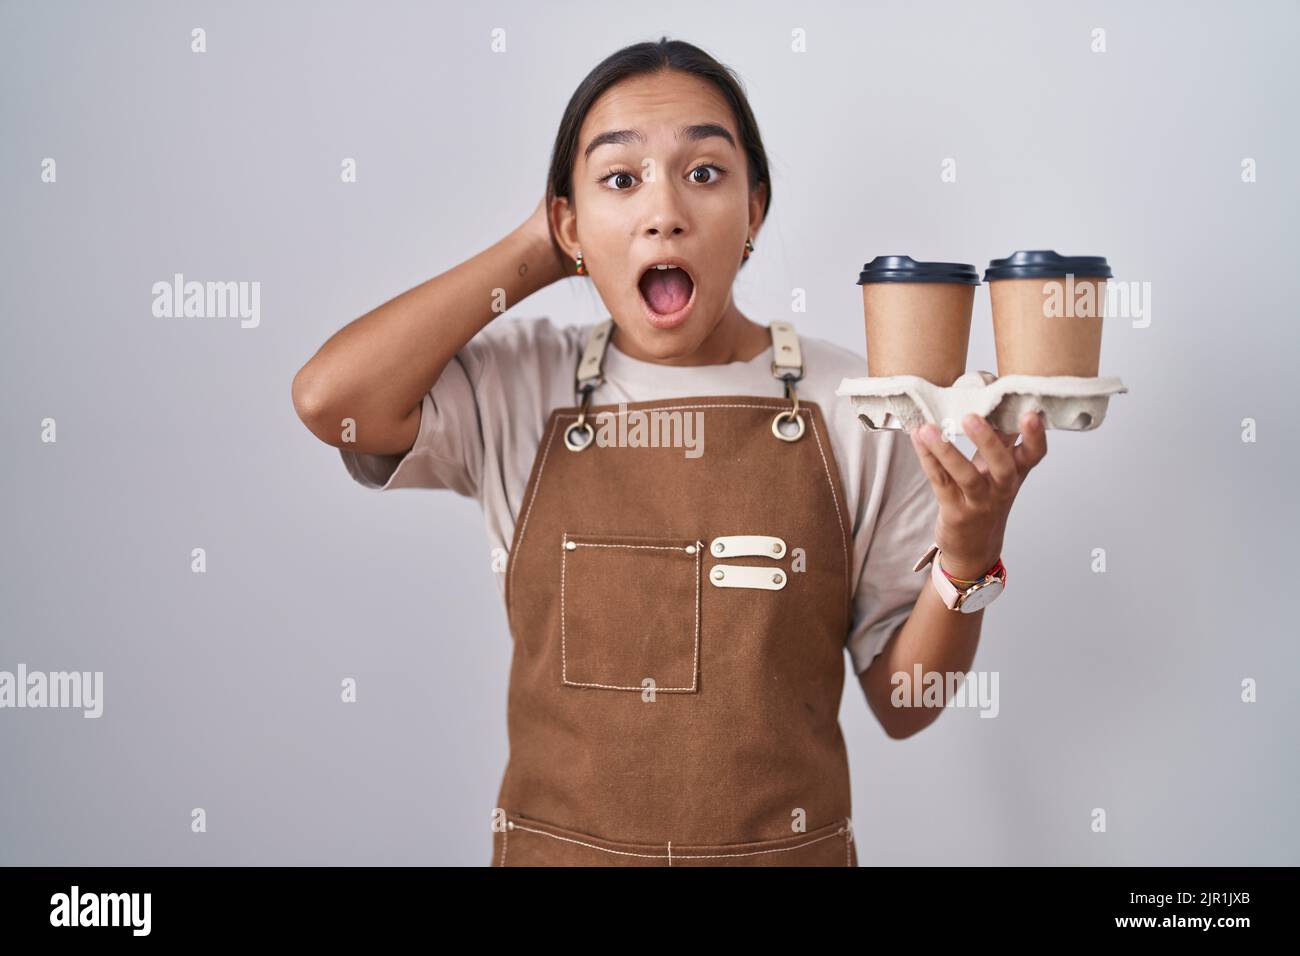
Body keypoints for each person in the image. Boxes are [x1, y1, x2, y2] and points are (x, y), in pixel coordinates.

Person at [291, 37, 1047, 867]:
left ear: (754, 210)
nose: (665, 212)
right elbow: (333, 402)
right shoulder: (519, 389)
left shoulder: (856, 404)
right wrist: (542, 250)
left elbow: (907, 702)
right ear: (567, 219)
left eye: (704, 173)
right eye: (621, 178)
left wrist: (969, 558)